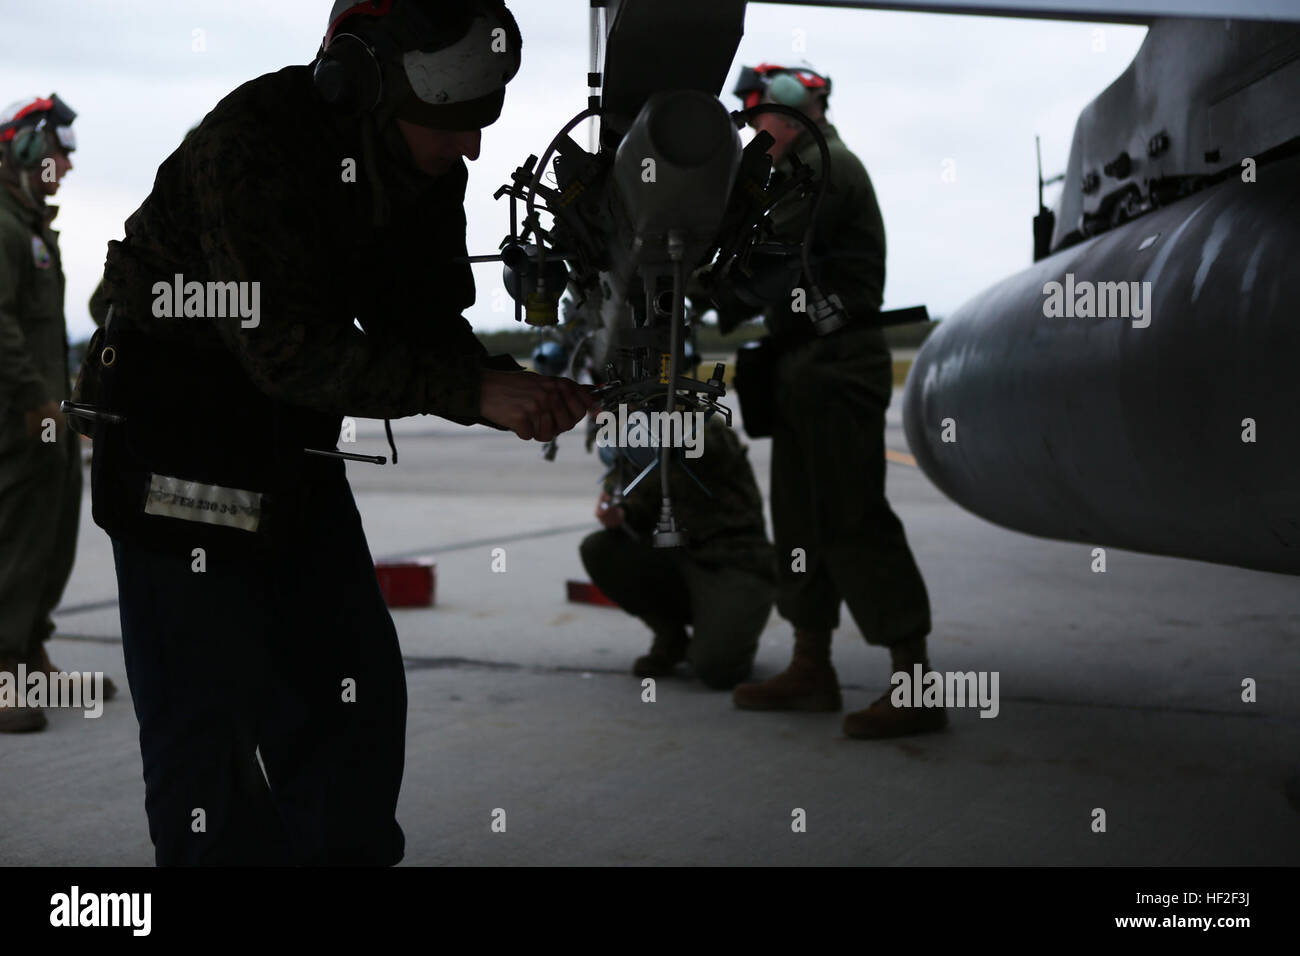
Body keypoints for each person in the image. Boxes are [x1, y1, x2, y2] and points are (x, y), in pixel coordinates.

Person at [85, 0, 592, 864]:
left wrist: (507, 386)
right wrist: (471, 391)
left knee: (351, 698)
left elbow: (418, 315)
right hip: (178, 443)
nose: (471, 147)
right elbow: (284, 347)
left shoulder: (421, 165)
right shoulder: (252, 142)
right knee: (205, 724)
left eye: (483, 120)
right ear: (361, 83)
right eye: (450, 122)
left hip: (288, 442)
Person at [714, 64, 945, 738]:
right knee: (799, 524)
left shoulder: (826, 168)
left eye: (758, 118)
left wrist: (695, 266)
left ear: (791, 115)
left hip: (838, 362)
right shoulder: (794, 173)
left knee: (852, 517)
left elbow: (761, 257)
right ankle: (811, 666)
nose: (754, 135)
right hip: (800, 364)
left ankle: (916, 684)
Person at [0, 93, 115, 733]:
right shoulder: (3, 225)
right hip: (17, 416)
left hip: (47, 413)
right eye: (57, 152)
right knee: (16, 540)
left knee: (51, 535)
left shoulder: (32, 225)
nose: (66, 165)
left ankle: (30, 656)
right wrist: (30, 398)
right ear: (22, 148)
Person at [580, 410, 776, 690]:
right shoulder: (622, 438)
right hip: (677, 554)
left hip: (733, 561)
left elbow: (704, 448)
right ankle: (671, 638)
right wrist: (621, 513)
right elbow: (637, 499)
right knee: (600, 549)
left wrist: (642, 431)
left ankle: (725, 626)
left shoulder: (700, 427)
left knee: (718, 669)